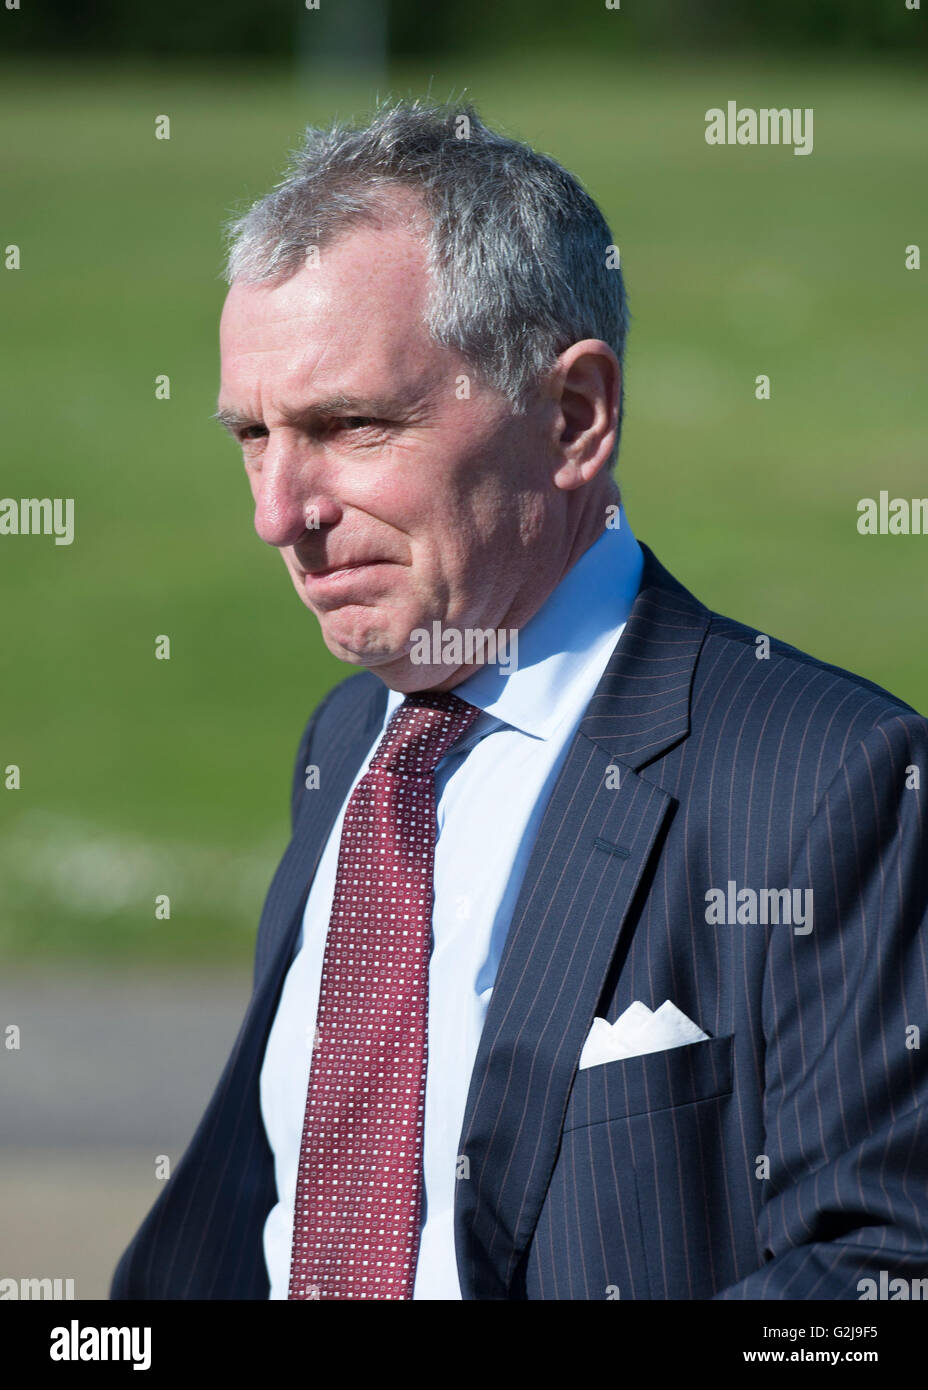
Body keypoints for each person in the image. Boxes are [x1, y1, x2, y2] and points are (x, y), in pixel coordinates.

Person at [111, 99, 928, 1301]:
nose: (279, 513)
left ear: (572, 416)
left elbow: (881, 1272)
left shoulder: (829, 779)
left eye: (349, 425)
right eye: (253, 436)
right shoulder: (350, 743)